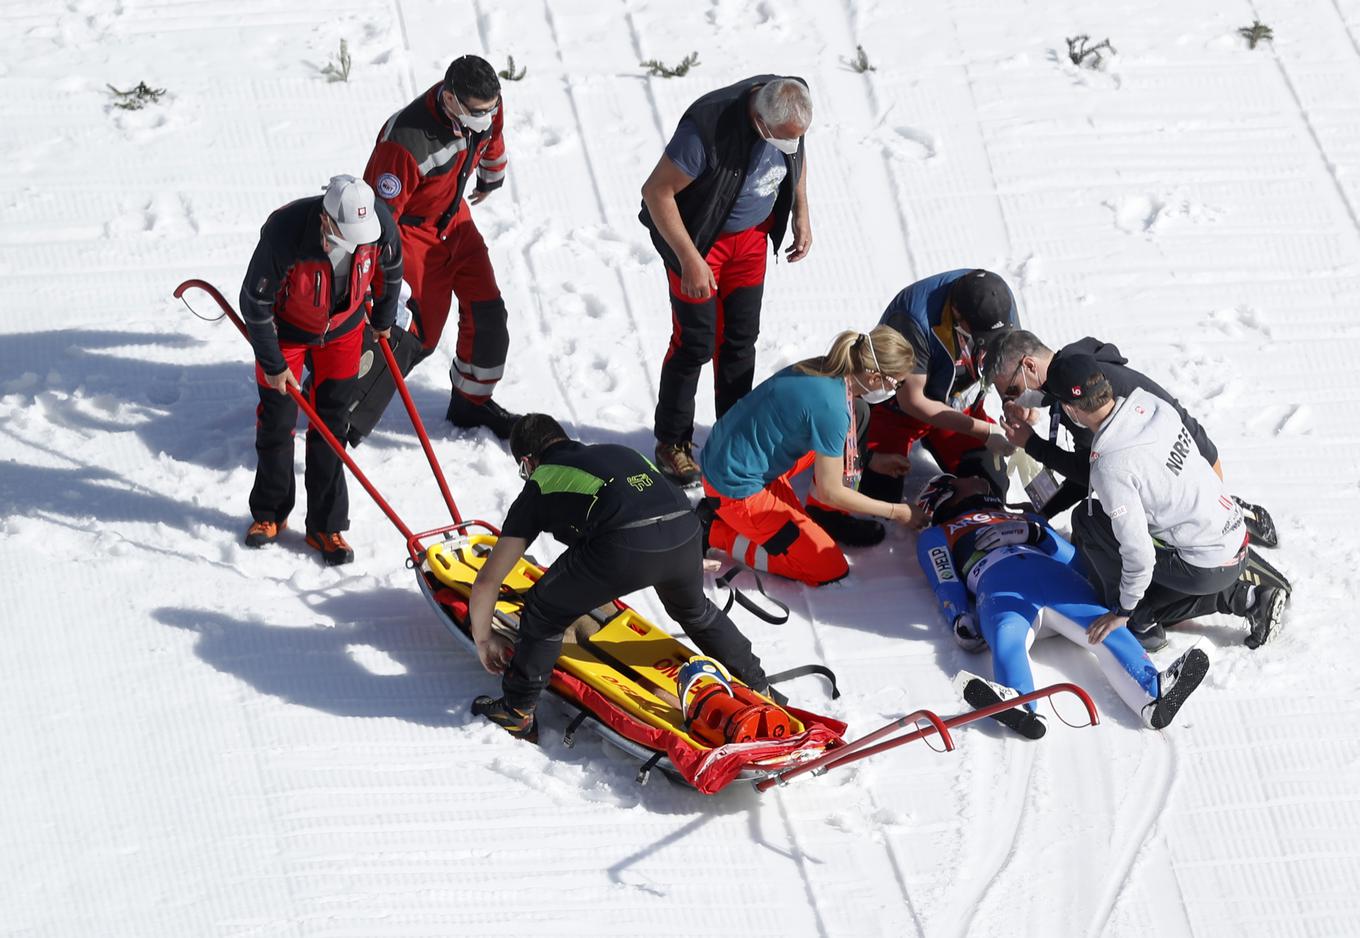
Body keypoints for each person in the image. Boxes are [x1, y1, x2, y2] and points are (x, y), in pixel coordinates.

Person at [467, 414, 771, 740]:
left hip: (626, 546)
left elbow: (489, 581)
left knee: (544, 608)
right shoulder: (619, 452)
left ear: (528, 460)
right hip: (685, 532)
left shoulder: (543, 479)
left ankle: (517, 710)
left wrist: (483, 640)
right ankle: (757, 683)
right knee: (695, 611)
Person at [916, 473, 1210, 737]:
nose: (980, 478)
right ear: (946, 493)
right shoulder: (939, 532)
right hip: (1000, 588)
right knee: (1006, 637)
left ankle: (1152, 694)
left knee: (1107, 627)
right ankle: (1019, 703)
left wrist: (1038, 535)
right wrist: (958, 614)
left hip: (1058, 581)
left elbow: (1076, 562)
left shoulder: (1026, 518)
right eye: (961, 478)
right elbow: (944, 577)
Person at [1043, 355, 1288, 651]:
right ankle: (1247, 597)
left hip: (1207, 567)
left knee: (1088, 519)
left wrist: (1124, 609)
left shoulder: (1111, 466)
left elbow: (1139, 553)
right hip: (1234, 533)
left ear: (1070, 409)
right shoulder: (1149, 405)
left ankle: (1140, 625)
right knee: (1108, 519)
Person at [639, 75, 814, 485]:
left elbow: (797, 156)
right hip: (702, 242)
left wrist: (801, 211)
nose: (792, 145)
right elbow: (656, 192)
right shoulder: (707, 129)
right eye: (783, 139)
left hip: (751, 241)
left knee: (739, 341)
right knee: (694, 343)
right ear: (760, 121)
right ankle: (672, 441)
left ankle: (734, 432)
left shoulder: (789, 108)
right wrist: (690, 259)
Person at [238, 175, 403, 564]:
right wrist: (275, 365)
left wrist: (383, 318)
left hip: (344, 329)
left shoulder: (377, 223)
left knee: (333, 424)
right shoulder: (286, 231)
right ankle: (269, 513)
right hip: (288, 332)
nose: (361, 243)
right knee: (278, 421)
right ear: (327, 221)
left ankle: (326, 526)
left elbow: (392, 269)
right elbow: (254, 304)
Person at [984, 329, 1279, 545]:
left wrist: (1032, 445)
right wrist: (1043, 511)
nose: (1014, 400)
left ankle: (1233, 529)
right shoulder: (1074, 363)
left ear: (1029, 366)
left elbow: (1091, 474)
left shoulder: (1075, 397)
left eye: (1011, 391)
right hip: (1191, 458)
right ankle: (1223, 508)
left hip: (1189, 470)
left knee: (1100, 535)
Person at [362, 54, 519, 439]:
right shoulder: (403, 143)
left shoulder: (486, 108)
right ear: (450, 99)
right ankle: (345, 400)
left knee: (488, 317)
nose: (488, 117)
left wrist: (490, 178)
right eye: (478, 111)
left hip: (455, 222)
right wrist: (383, 281)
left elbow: (492, 140)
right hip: (409, 233)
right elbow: (375, 224)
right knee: (414, 333)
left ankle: (471, 403)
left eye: (492, 108)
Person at [697, 327, 923, 587]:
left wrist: (869, 458)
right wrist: (897, 512)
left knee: (857, 411)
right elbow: (831, 491)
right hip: (735, 488)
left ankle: (826, 517)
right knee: (828, 567)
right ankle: (713, 531)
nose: (896, 389)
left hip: (732, 457)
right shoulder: (832, 408)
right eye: (896, 383)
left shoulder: (826, 368)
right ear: (874, 377)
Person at [851, 269, 1021, 523]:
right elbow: (913, 401)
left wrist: (1012, 402)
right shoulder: (912, 319)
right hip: (900, 413)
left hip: (960, 408)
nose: (984, 343)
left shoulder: (999, 303)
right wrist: (984, 431)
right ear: (957, 314)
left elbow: (1007, 362)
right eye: (980, 337)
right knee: (878, 498)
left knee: (992, 489)